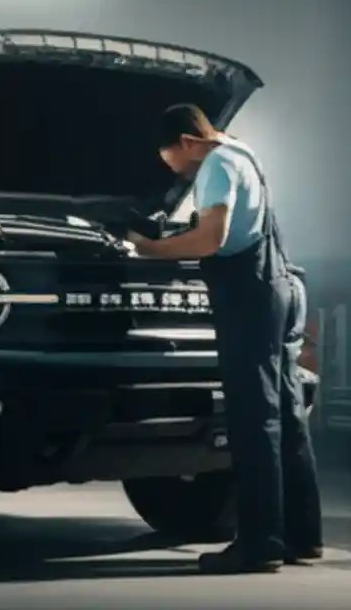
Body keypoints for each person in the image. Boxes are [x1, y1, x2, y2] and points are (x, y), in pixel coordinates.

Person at [126, 104, 323, 574]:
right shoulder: (241, 151)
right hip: (278, 286)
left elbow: (210, 239)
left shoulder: (214, 166)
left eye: (168, 155)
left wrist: (151, 249)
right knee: (286, 415)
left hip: (248, 297)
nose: (169, 166)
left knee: (253, 420)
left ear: (188, 142)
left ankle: (258, 545)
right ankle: (301, 536)